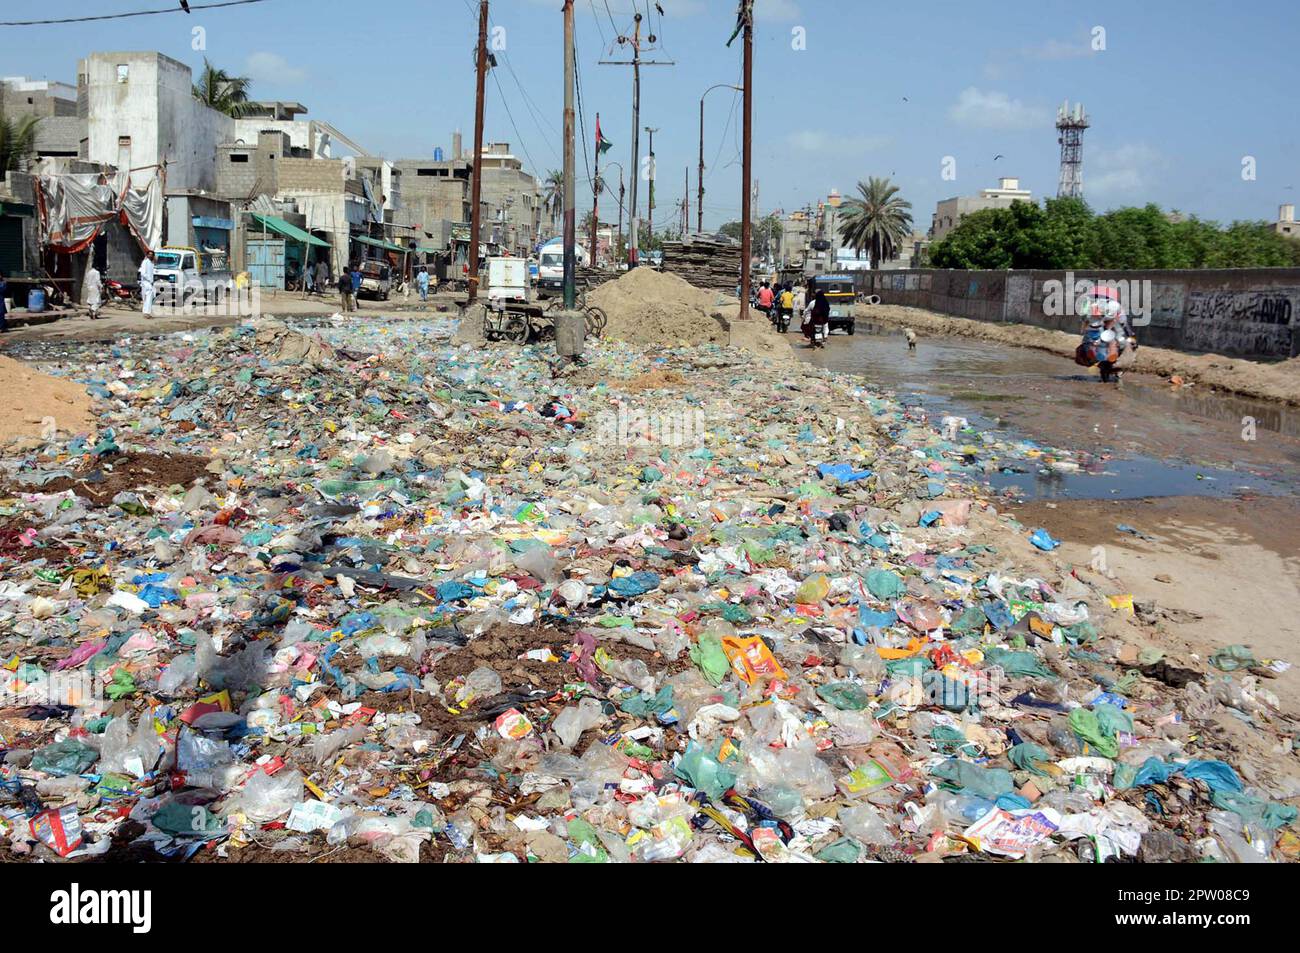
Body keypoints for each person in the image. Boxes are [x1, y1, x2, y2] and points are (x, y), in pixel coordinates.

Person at [138, 251, 156, 317]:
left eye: (152, 255)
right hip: (146, 282)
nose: (150, 256)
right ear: (147, 255)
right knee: (148, 297)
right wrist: (149, 279)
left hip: (149, 282)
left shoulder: (151, 263)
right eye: (149, 254)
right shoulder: (145, 262)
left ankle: (146, 312)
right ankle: (147, 313)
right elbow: (143, 273)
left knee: (148, 297)